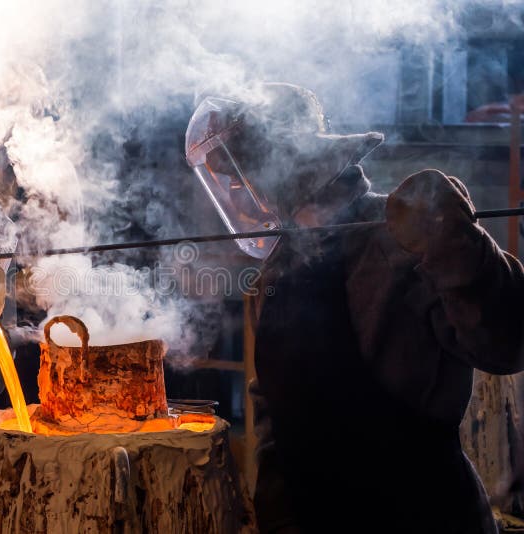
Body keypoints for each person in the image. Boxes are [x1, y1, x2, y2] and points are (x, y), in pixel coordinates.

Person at [185, 83, 524, 533]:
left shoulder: (404, 240)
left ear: (284, 160)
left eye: (237, 173)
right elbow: (277, 421)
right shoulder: (278, 271)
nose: (236, 192)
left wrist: (461, 248)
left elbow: (506, 345)